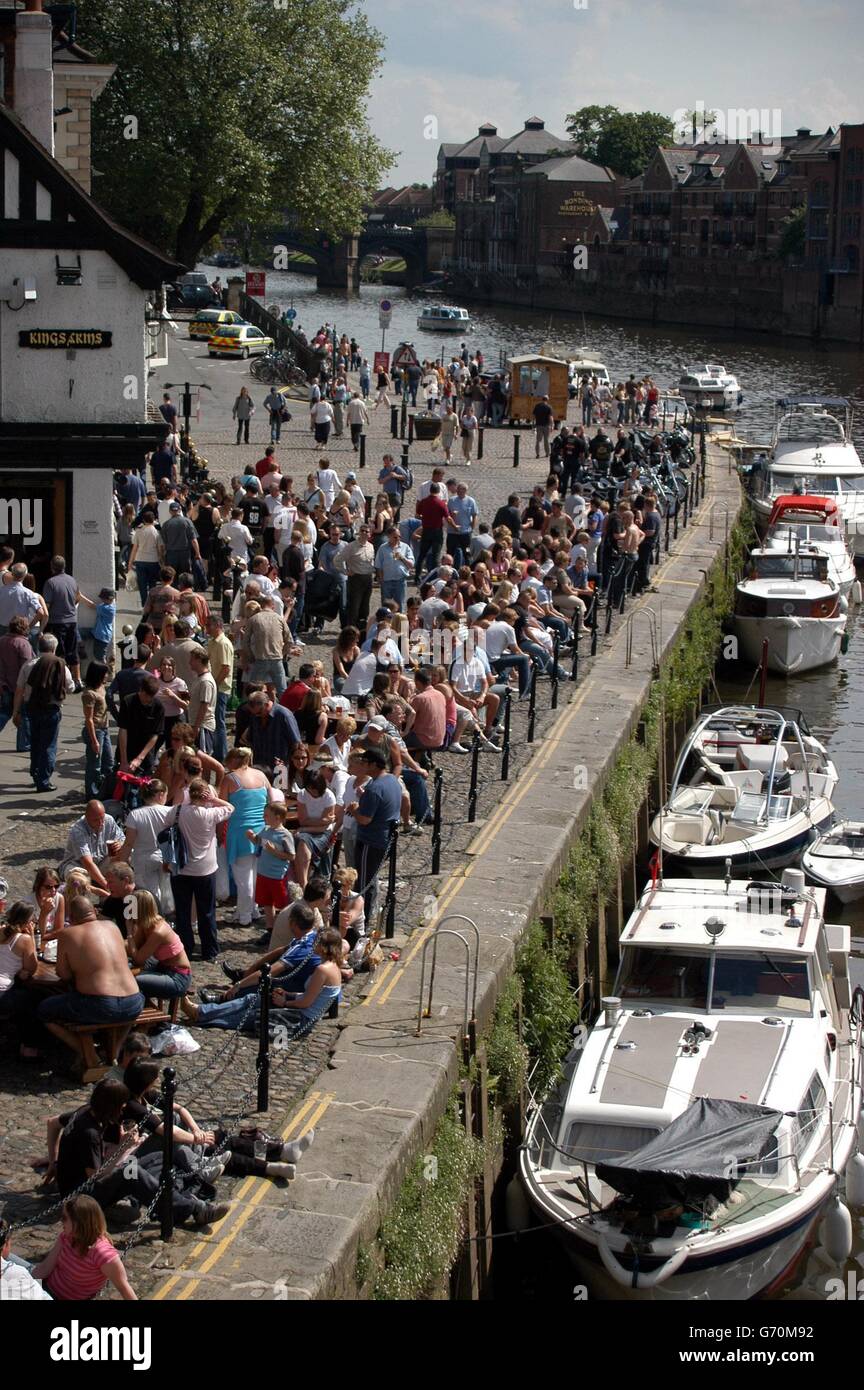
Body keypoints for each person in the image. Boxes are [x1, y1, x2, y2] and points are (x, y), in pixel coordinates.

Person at [54, 1077, 228, 1228]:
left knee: (158, 1157)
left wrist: (54, 1163)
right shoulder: (89, 1133)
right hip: (82, 1195)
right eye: (121, 1106)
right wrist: (124, 1150)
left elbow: (53, 1123)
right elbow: (96, 1176)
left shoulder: (85, 1111)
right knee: (131, 1171)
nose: (123, 1110)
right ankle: (190, 1209)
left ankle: (150, 1197)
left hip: (89, 1180)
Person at [37, 897, 143, 1049]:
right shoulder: (112, 926)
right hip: (134, 1002)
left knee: (44, 1010)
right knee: (131, 1003)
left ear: (71, 918)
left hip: (100, 1005)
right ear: (94, 911)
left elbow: (63, 974)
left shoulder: (68, 934)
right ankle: (115, 1050)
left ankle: (86, 1052)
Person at [172, 779, 234, 961]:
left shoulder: (179, 811)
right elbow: (230, 807)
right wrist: (215, 800)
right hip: (205, 868)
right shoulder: (211, 813)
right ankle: (210, 950)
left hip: (182, 868)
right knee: (206, 911)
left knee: (183, 911)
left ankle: (186, 947)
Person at [33, 1195, 137, 1301]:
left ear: (79, 1222)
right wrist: (28, 1282)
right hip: (44, 1288)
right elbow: (45, 1267)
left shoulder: (103, 1254)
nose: (61, 1221)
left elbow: (124, 1288)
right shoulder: (67, 1236)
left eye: (64, 1218)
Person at [348, 745, 401, 927]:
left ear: (373, 764)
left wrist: (355, 810)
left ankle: (362, 920)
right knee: (370, 878)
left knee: (363, 882)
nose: (362, 766)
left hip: (370, 842)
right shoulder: (392, 780)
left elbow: (364, 819)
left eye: (365, 762)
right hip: (385, 839)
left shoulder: (375, 787)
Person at [21, 635, 71, 792]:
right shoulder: (59, 663)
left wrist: (17, 710)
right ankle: (43, 780)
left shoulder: (29, 664)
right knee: (49, 745)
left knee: (35, 743)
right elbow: (70, 686)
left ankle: (36, 773)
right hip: (51, 709)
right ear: (53, 648)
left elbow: (22, 687)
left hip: (33, 708)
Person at [119, 780, 175, 913]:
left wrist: (121, 863)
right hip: (165, 857)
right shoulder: (170, 812)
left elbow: (129, 843)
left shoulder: (135, 815)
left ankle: (152, 916)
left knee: (148, 893)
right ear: (160, 794)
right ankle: (166, 915)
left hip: (143, 859)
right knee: (166, 889)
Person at [128, 889, 191, 999]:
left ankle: (135, 1008)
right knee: (124, 968)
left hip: (177, 977)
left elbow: (138, 958)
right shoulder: (145, 924)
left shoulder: (158, 931)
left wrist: (129, 932)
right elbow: (135, 947)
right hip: (162, 967)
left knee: (131, 980)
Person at [42, 555, 91, 691]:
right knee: (73, 651)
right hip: (72, 621)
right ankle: (78, 680)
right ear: (64, 567)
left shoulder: (50, 583)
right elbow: (77, 599)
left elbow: (47, 604)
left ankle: (59, 681)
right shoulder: (72, 580)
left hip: (57, 622)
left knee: (58, 653)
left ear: (52, 567)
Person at [246, 800, 296, 928]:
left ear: (277, 817)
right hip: (263, 873)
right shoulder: (266, 830)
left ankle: (284, 928)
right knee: (267, 903)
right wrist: (252, 837)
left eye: (266, 815)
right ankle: (270, 928)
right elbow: (259, 841)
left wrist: (274, 851)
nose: (264, 817)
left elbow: (291, 856)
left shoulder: (285, 835)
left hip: (277, 876)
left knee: (282, 904)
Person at [59, 800, 124, 888]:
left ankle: (123, 886)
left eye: (102, 818)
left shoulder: (108, 820)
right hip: (78, 866)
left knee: (127, 852)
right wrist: (106, 885)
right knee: (78, 880)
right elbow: (88, 863)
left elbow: (123, 839)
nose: (101, 823)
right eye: (96, 820)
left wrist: (120, 844)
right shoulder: (78, 830)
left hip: (100, 862)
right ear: (87, 817)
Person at [117, 674, 164, 776]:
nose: (148, 700)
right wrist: (124, 760)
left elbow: (155, 734)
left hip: (145, 753)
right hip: (128, 749)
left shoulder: (158, 707)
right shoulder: (128, 701)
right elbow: (123, 730)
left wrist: (140, 758)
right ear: (141, 690)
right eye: (146, 697)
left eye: (151, 697)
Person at [81, 660, 113, 800]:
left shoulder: (101, 687)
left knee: (108, 762)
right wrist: (94, 740)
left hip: (104, 729)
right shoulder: (89, 694)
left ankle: (104, 789)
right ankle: (92, 794)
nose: (107, 676)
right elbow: (89, 719)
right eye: (105, 674)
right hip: (96, 731)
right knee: (94, 765)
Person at [0, 561, 48, 640]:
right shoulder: (28, 593)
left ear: (12, 574)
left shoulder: (1, 590)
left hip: (2, 628)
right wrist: (29, 627)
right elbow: (41, 612)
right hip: (19, 629)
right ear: (25, 575)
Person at [415, 483, 449, 582]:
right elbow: (447, 517)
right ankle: (434, 577)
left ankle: (417, 576)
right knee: (436, 555)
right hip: (437, 531)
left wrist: (425, 518)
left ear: (430, 491)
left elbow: (418, 514)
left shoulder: (424, 502)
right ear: (438, 492)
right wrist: (455, 526)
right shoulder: (440, 503)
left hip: (426, 530)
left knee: (422, 555)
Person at [187, 648, 218, 755]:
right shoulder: (199, 678)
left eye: (192, 659)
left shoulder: (206, 681)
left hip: (203, 727)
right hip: (197, 725)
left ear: (199, 660)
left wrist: (196, 727)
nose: (189, 662)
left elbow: (204, 705)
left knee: (203, 758)